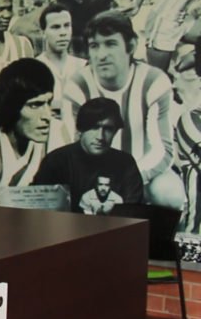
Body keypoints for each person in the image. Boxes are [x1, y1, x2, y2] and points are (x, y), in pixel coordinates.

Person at [64, 11, 184, 208]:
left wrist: (128, 178)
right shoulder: (77, 86)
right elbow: (74, 147)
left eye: (110, 44)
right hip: (92, 176)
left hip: (143, 172)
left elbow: (162, 149)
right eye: (94, 46)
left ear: (131, 46)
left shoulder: (154, 81)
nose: (101, 55)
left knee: (169, 193)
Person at [33, 97, 144, 213]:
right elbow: (41, 213)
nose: (100, 137)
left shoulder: (125, 163)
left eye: (108, 129)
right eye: (94, 127)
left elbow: (132, 213)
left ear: (115, 131)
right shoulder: (55, 161)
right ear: (80, 129)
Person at [0, 58, 54, 204]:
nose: (47, 116)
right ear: (11, 107)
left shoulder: (56, 133)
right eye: (35, 105)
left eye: (49, 103)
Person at [34, 2, 85, 145]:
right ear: (43, 32)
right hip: (47, 143)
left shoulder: (83, 67)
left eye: (67, 25)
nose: (63, 32)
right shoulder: (34, 68)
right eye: (55, 27)